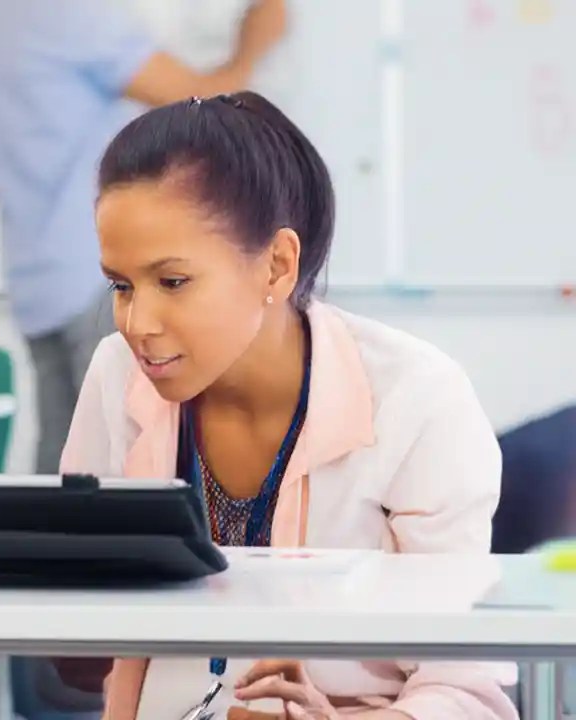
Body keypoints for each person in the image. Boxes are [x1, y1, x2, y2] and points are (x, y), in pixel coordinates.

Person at [62, 91, 518, 719]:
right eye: (121, 285)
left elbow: (469, 692)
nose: (137, 322)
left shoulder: (417, 398)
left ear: (277, 266)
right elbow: (78, 618)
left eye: (172, 282)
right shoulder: (118, 375)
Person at [0, 0, 287, 476]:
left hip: (35, 282)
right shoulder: (74, 17)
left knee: (66, 465)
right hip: (108, 277)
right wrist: (257, 38)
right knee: (134, 458)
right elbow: (204, 107)